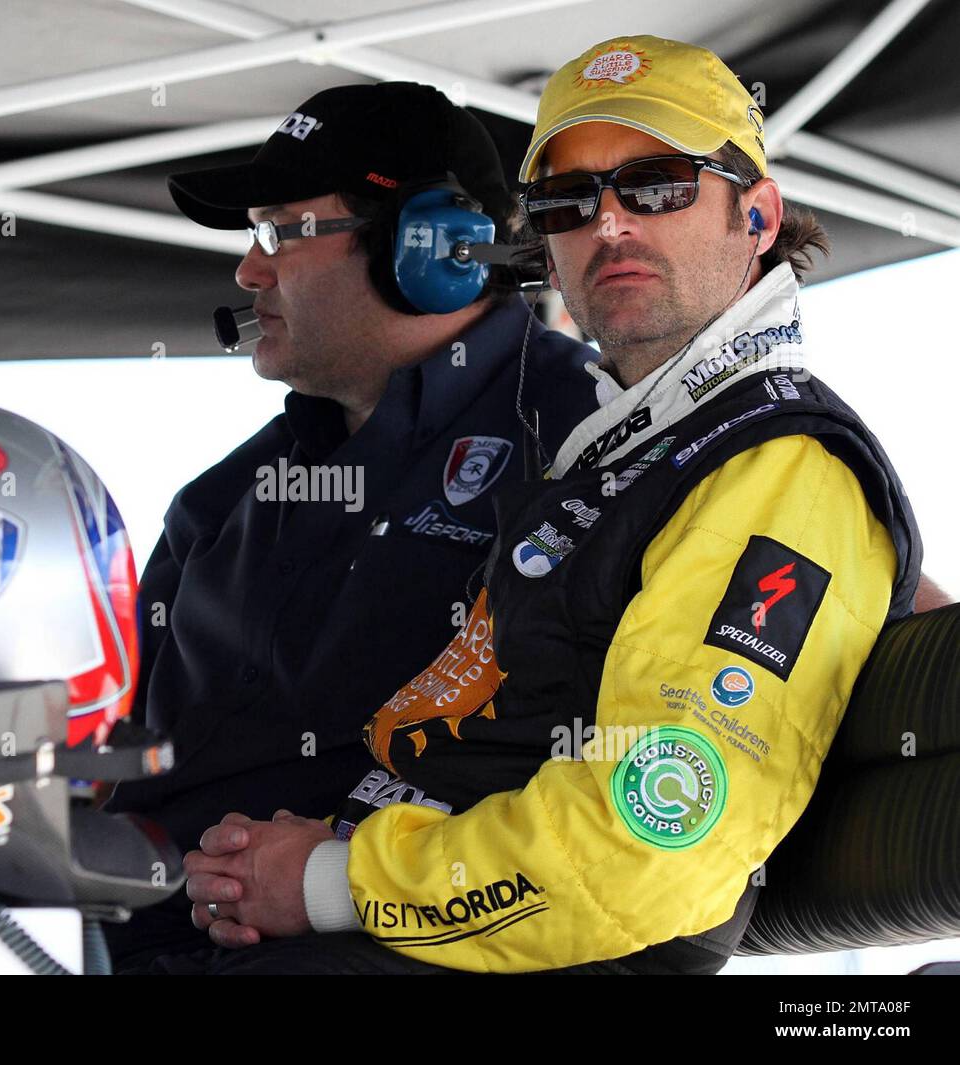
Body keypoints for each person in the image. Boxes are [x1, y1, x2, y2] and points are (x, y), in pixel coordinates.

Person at [177, 35, 928, 975]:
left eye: (656, 184)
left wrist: (334, 879)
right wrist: (314, 854)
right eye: (569, 202)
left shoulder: (781, 468)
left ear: (759, 216)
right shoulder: (621, 452)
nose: (609, 224)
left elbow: (653, 843)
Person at [102, 82, 601, 968]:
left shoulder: (590, 435)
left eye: (278, 232)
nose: (249, 273)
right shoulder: (220, 502)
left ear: (434, 248)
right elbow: (113, 752)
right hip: (134, 927)